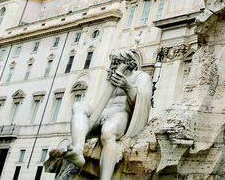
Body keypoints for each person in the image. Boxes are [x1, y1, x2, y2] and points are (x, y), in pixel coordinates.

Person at [53, 49, 152, 180]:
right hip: (104, 112)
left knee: (108, 130)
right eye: (113, 63)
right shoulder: (112, 78)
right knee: (78, 106)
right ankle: (78, 149)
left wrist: (127, 87)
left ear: (127, 63)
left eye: (117, 62)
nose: (113, 66)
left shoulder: (140, 77)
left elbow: (143, 100)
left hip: (123, 114)